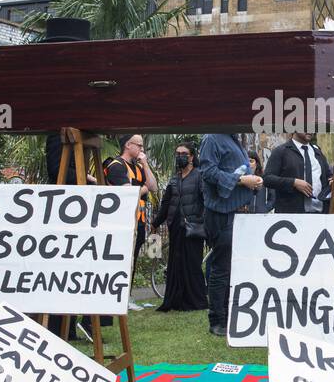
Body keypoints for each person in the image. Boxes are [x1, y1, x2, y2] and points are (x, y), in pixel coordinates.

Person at [198, 133, 263, 337]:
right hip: (222, 214)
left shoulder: (234, 139)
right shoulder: (212, 139)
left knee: (231, 269)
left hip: (235, 212)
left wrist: (252, 182)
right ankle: (217, 320)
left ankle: (228, 315)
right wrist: (242, 180)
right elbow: (208, 172)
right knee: (221, 269)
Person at [152, 142, 208, 313]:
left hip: (193, 227)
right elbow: (166, 203)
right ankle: (175, 299)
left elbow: (206, 201)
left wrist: (203, 222)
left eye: (184, 153)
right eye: (177, 153)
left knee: (192, 264)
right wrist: (155, 223)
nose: (180, 156)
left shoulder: (200, 176)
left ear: (191, 156)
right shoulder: (174, 178)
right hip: (175, 227)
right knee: (175, 264)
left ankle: (195, 301)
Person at [106, 134, 159, 309]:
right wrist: (143, 188)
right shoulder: (116, 166)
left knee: (133, 258)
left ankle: (127, 296)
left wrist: (145, 164)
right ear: (128, 145)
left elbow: (154, 186)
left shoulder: (138, 166)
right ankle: (119, 297)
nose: (142, 150)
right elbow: (129, 194)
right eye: (140, 146)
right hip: (122, 223)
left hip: (139, 221)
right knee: (123, 259)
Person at [264, 132, 332, 214]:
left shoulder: (317, 152)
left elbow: (329, 177)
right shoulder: (281, 151)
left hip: (320, 214)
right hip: (291, 215)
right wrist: (293, 183)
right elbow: (267, 179)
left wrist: (332, 182)